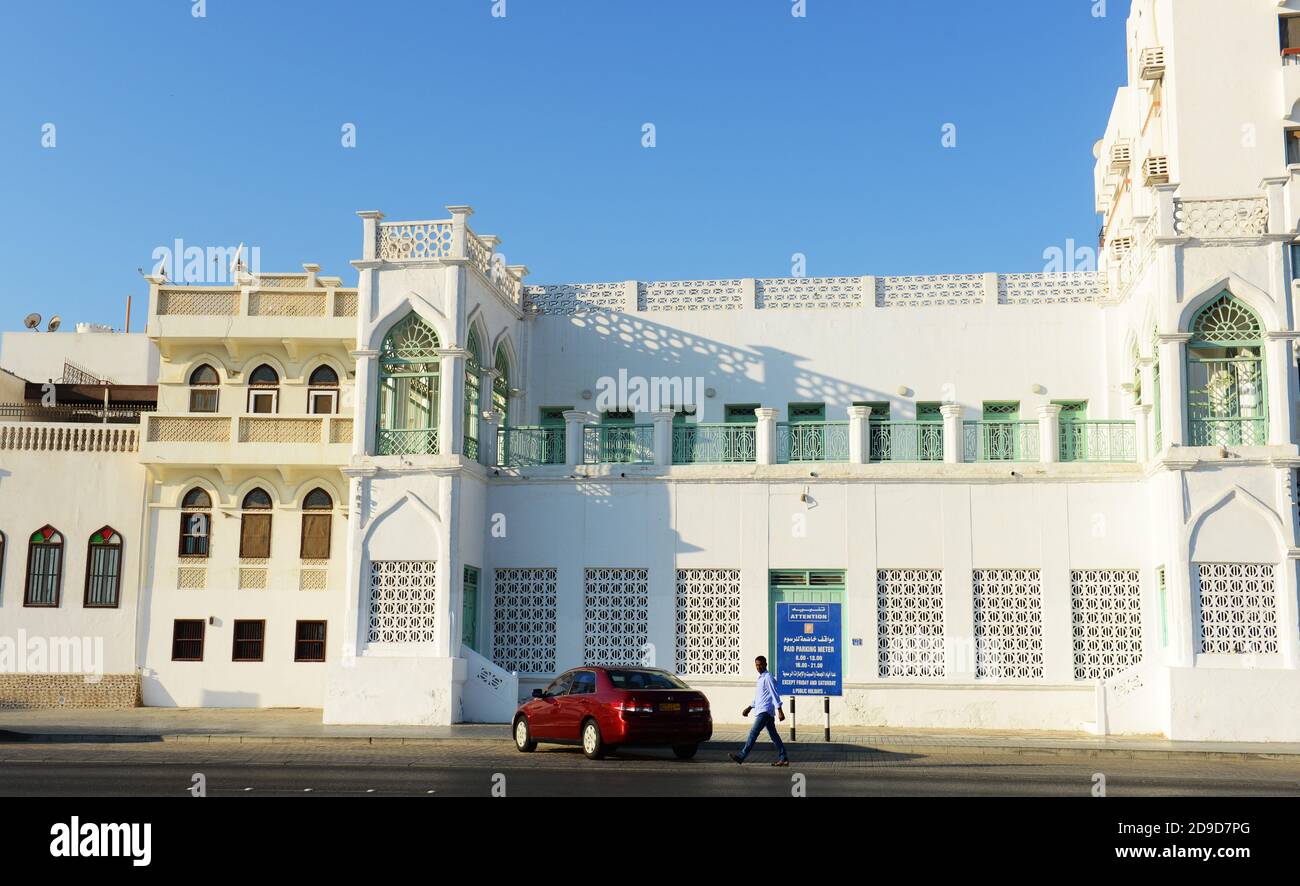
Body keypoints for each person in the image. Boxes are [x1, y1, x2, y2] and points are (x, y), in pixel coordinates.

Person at [729, 655, 789, 766]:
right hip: (763, 710)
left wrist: (780, 710)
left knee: (753, 733)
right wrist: (749, 708)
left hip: (765, 711)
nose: (758, 667)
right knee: (774, 736)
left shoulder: (768, 678)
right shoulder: (761, 678)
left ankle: (741, 756)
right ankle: (783, 757)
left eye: (760, 664)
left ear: (765, 664)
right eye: (756, 665)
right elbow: (759, 697)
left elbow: (774, 694)